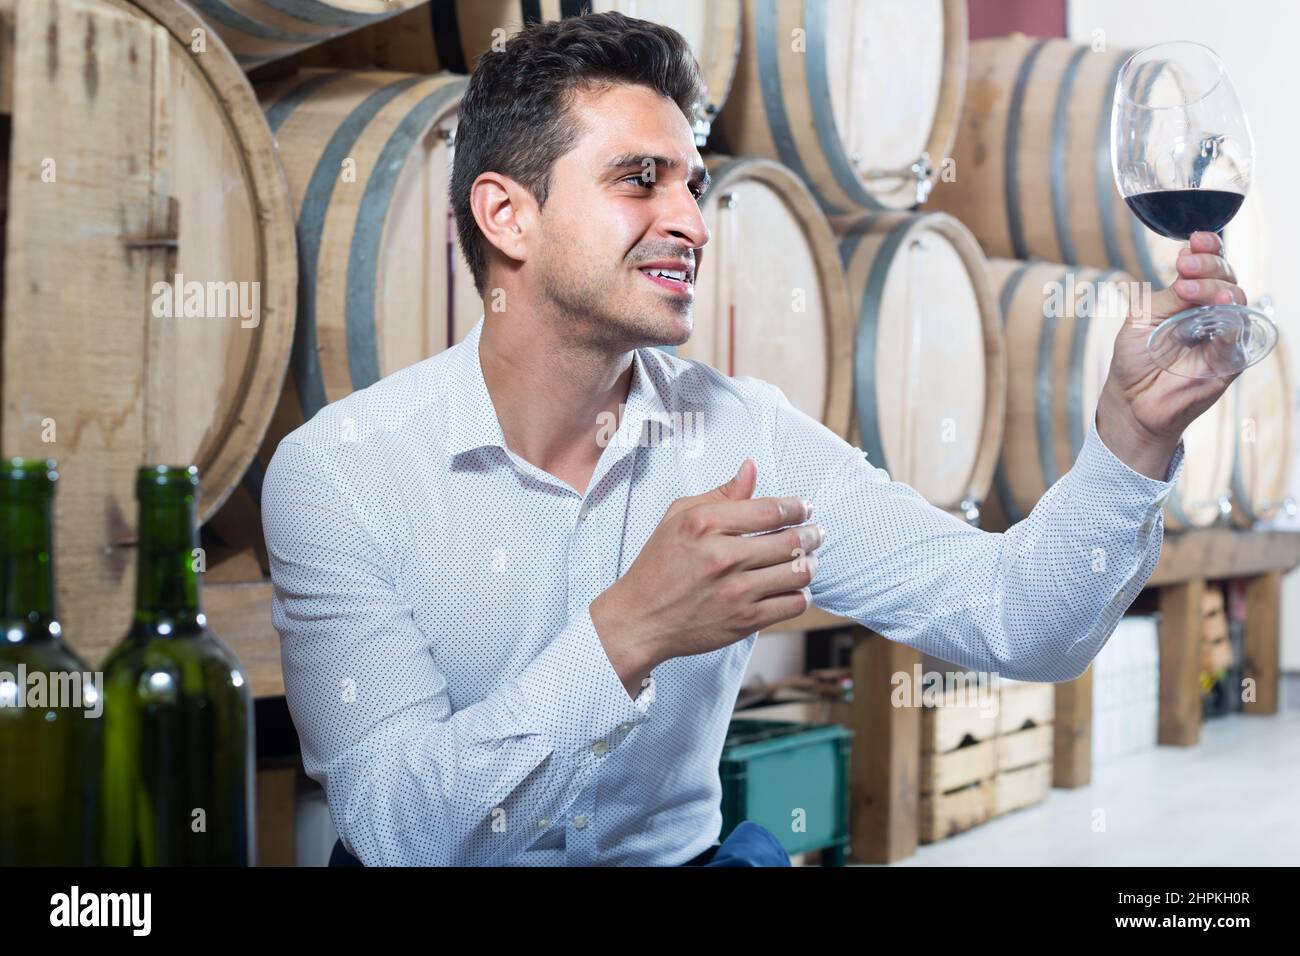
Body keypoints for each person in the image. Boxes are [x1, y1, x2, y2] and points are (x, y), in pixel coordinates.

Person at [262, 12, 1247, 866]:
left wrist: (1131, 437)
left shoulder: (744, 431)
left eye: (693, 184)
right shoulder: (342, 472)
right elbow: (394, 832)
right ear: (505, 215)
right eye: (639, 181)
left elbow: (1014, 617)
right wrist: (629, 631)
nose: (690, 219)